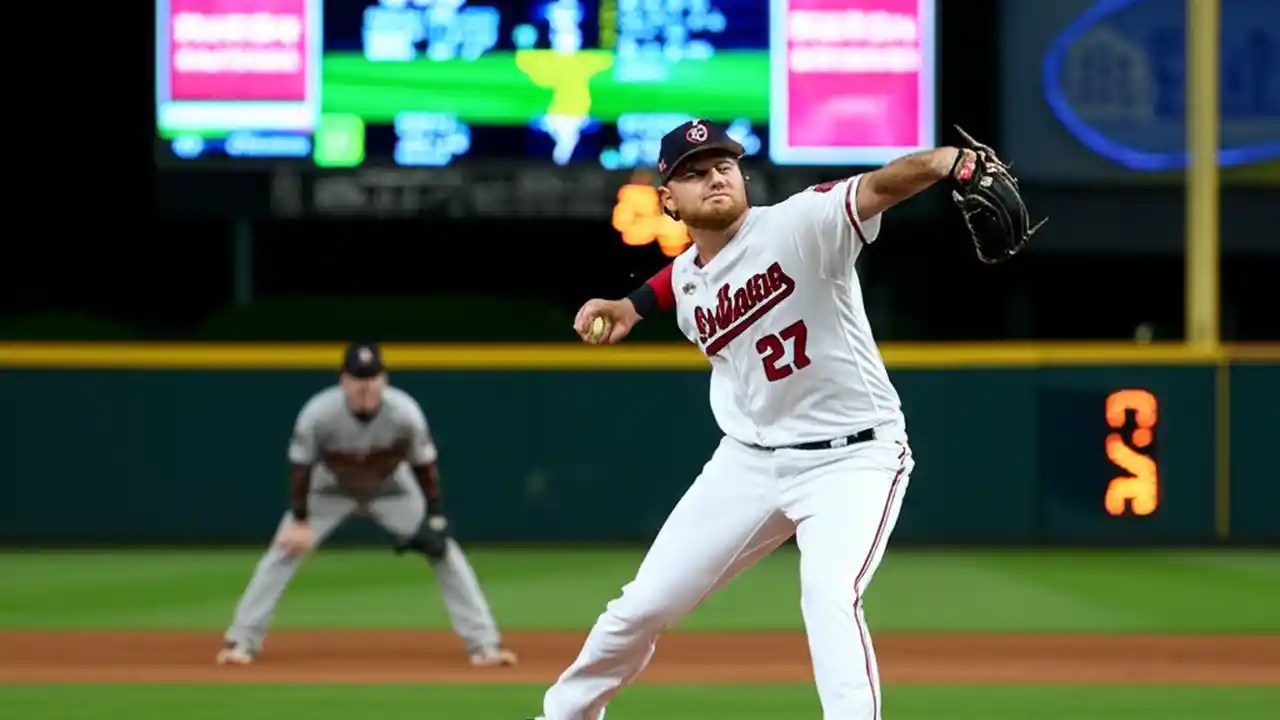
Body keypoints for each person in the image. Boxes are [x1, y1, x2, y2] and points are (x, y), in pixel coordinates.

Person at [528, 119, 980, 719]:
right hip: (749, 461)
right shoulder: (688, 282)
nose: (714, 176)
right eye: (693, 172)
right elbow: (688, 275)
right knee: (641, 606)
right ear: (668, 201)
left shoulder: (801, 224)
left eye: (723, 165)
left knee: (828, 597)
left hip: (853, 458)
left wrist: (948, 161)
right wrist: (634, 305)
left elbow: (878, 187)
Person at [217, 342, 517, 668]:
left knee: (445, 552)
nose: (365, 385)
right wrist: (300, 519)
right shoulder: (319, 413)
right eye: (358, 377)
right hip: (329, 491)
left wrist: (434, 517)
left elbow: (424, 466)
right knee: (284, 548)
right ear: (343, 381)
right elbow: (300, 467)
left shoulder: (404, 413)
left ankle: (484, 645)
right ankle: (241, 641)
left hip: (393, 491)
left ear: (384, 379)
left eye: (372, 376)